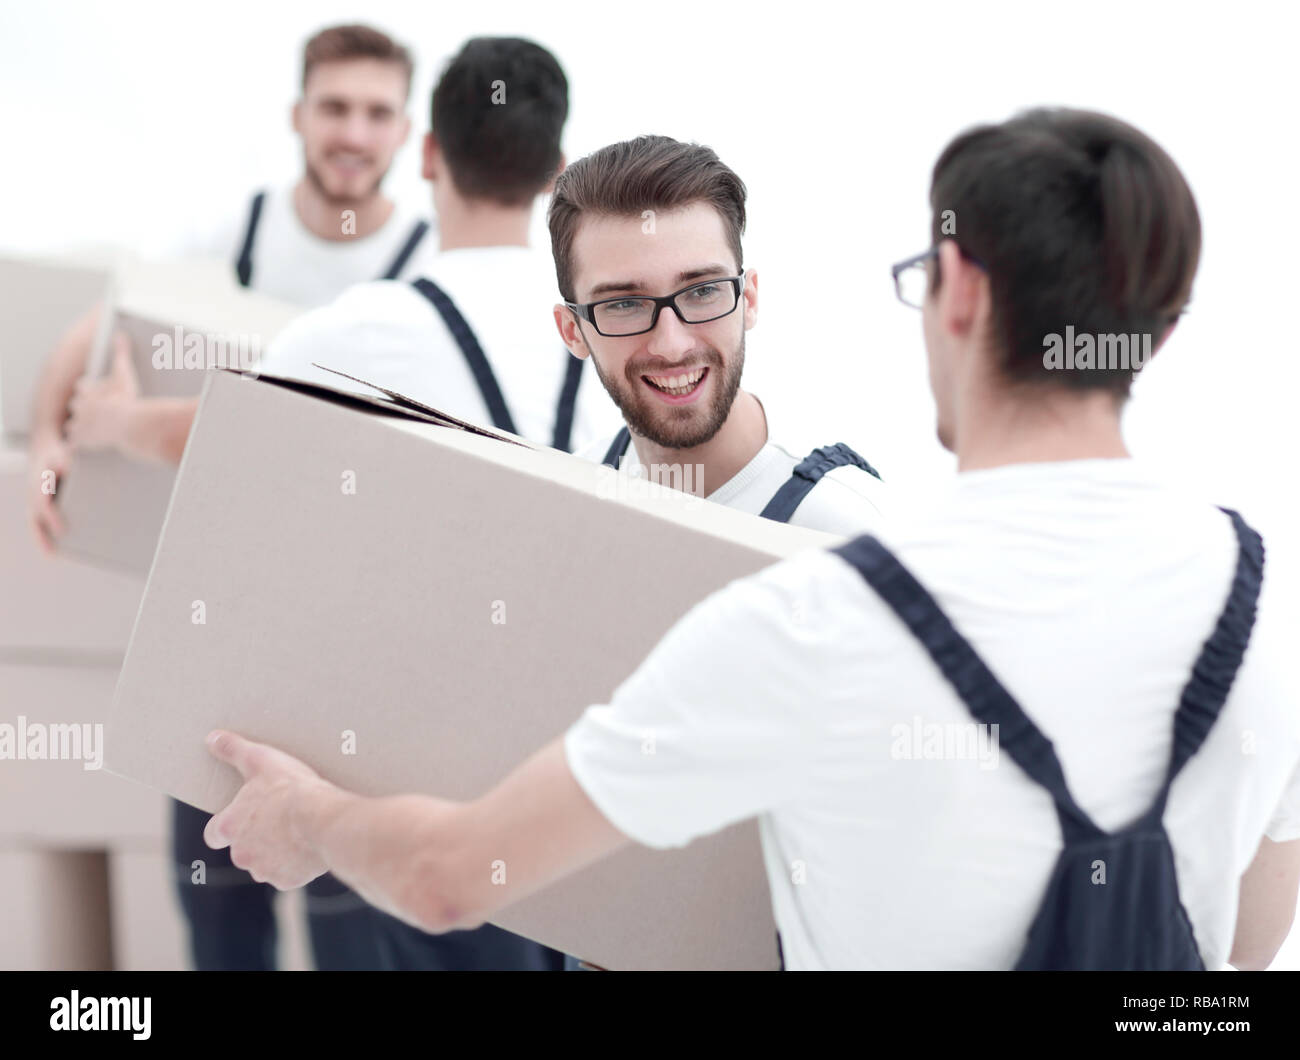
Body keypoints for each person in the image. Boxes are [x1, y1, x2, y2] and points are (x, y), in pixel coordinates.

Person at [201, 107, 1300, 970]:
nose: (670, 336)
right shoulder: (1261, 592)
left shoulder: (822, 597)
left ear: (958, 290)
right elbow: (1248, 937)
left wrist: (314, 820)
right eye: (624, 304)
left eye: (700, 293)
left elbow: (453, 876)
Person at [25, 22, 433, 973]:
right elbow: (89, 337)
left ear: (406, 134)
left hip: (356, 652)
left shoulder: (422, 265)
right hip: (215, 635)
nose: (353, 132)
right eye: (335, 106)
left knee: (348, 927)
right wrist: (52, 443)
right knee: (217, 913)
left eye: (377, 112)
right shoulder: (236, 235)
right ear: (299, 115)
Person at [258, 37, 615, 458]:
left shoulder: (354, 332)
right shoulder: (617, 338)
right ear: (556, 173)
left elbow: (235, 432)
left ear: (428, 155)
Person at [552, 136, 885, 538]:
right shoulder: (570, 500)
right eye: (625, 304)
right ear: (573, 331)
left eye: (702, 291)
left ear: (748, 298)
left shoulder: (846, 531)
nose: (672, 345)